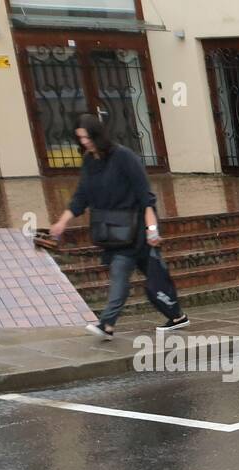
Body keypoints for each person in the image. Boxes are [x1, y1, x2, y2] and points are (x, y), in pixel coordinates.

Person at [48, 114, 189, 340]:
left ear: (97, 135)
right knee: (154, 275)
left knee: (125, 274)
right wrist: (62, 222)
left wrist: (152, 230)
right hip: (113, 232)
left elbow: (145, 195)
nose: (84, 142)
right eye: (80, 138)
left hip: (136, 231)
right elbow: (81, 196)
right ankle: (177, 316)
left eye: (87, 137)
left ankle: (107, 324)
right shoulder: (89, 161)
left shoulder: (124, 157)